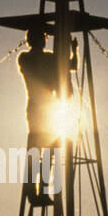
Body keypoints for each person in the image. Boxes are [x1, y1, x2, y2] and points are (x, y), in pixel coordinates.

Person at [17, 21, 78, 205]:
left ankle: (40, 191)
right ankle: (35, 190)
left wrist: (68, 49)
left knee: (45, 149)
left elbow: (69, 66)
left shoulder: (28, 58)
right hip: (42, 110)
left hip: (42, 110)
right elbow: (70, 65)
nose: (43, 41)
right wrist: (69, 49)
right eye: (42, 38)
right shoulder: (27, 58)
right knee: (41, 149)